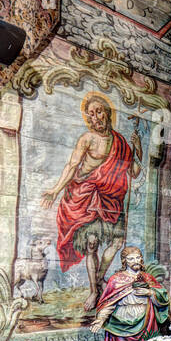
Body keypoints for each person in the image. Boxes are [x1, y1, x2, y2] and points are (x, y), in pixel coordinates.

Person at [40, 92, 142, 310]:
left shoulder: (120, 141)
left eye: (100, 112)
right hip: (88, 196)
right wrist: (55, 189)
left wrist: (137, 148)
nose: (96, 117)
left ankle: (99, 278)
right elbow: (71, 165)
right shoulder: (88, 138)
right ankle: (95, 291)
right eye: (91, 114)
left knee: (116, 243)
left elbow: (133, 172)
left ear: (108, 113)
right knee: (92, 244)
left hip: (112, 199)